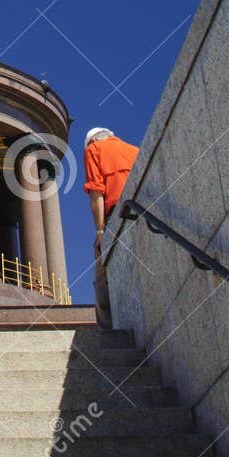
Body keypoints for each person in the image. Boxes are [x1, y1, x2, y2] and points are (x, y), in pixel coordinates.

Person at [83, 126, 139, 331]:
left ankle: (106, 332)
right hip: (139, 209)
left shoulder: (94, 150)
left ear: (92, 141)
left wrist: (100, 232)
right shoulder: (134, 149)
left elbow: (96, 191)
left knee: (101, 277)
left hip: (116, 214)